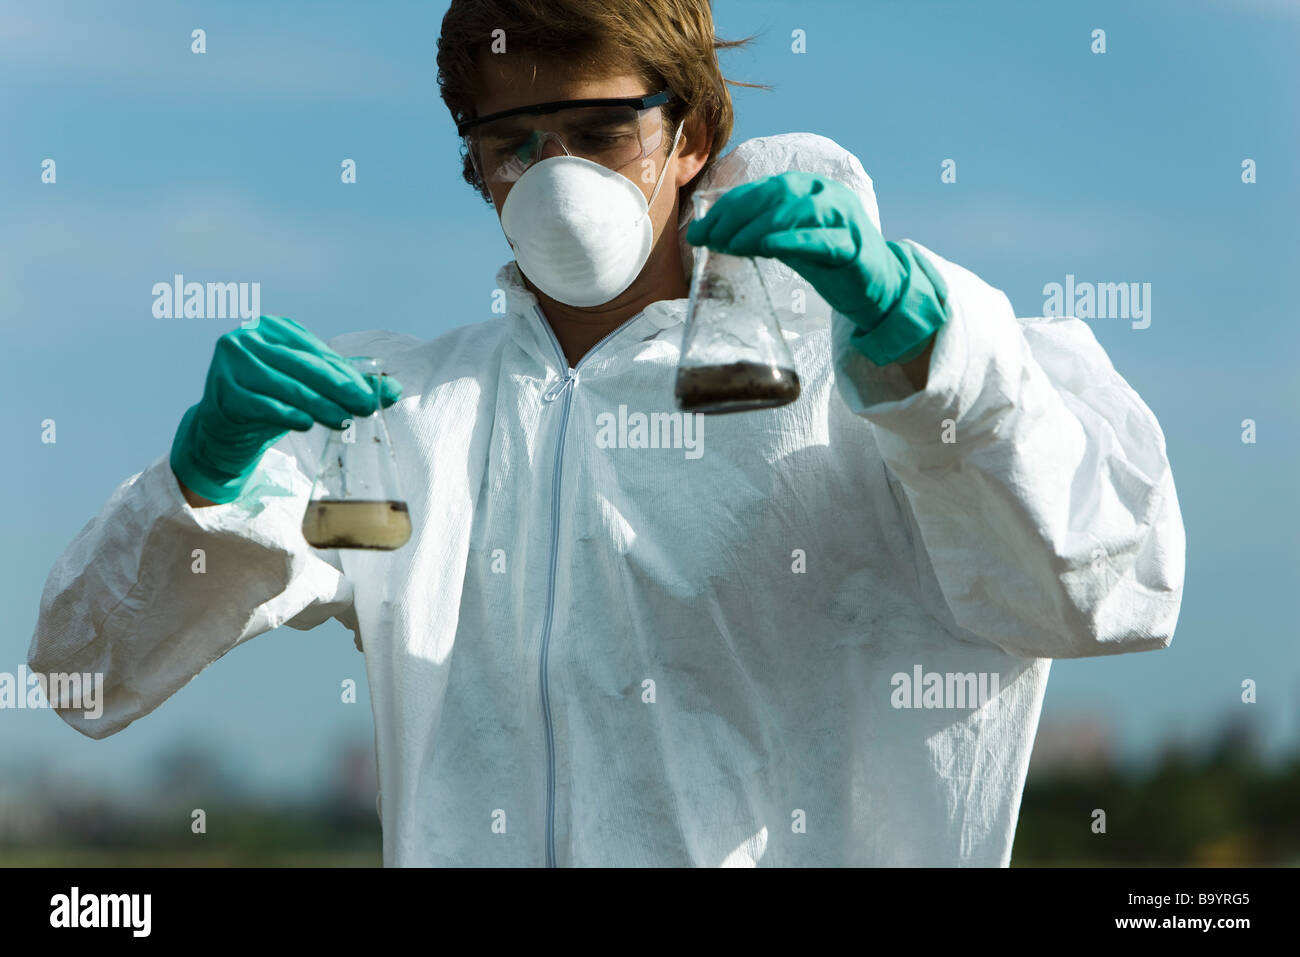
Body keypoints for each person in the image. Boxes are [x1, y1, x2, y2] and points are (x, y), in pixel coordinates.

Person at [28, 0, 1185, 867]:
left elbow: (1113, 588)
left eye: (599, 129)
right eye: (512, 142)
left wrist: (941, 355)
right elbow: (84, 677)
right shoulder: (393, 421)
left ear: (691, 137)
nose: (553, 175)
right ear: (473, 166)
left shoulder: (866, 375)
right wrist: (204, 478)